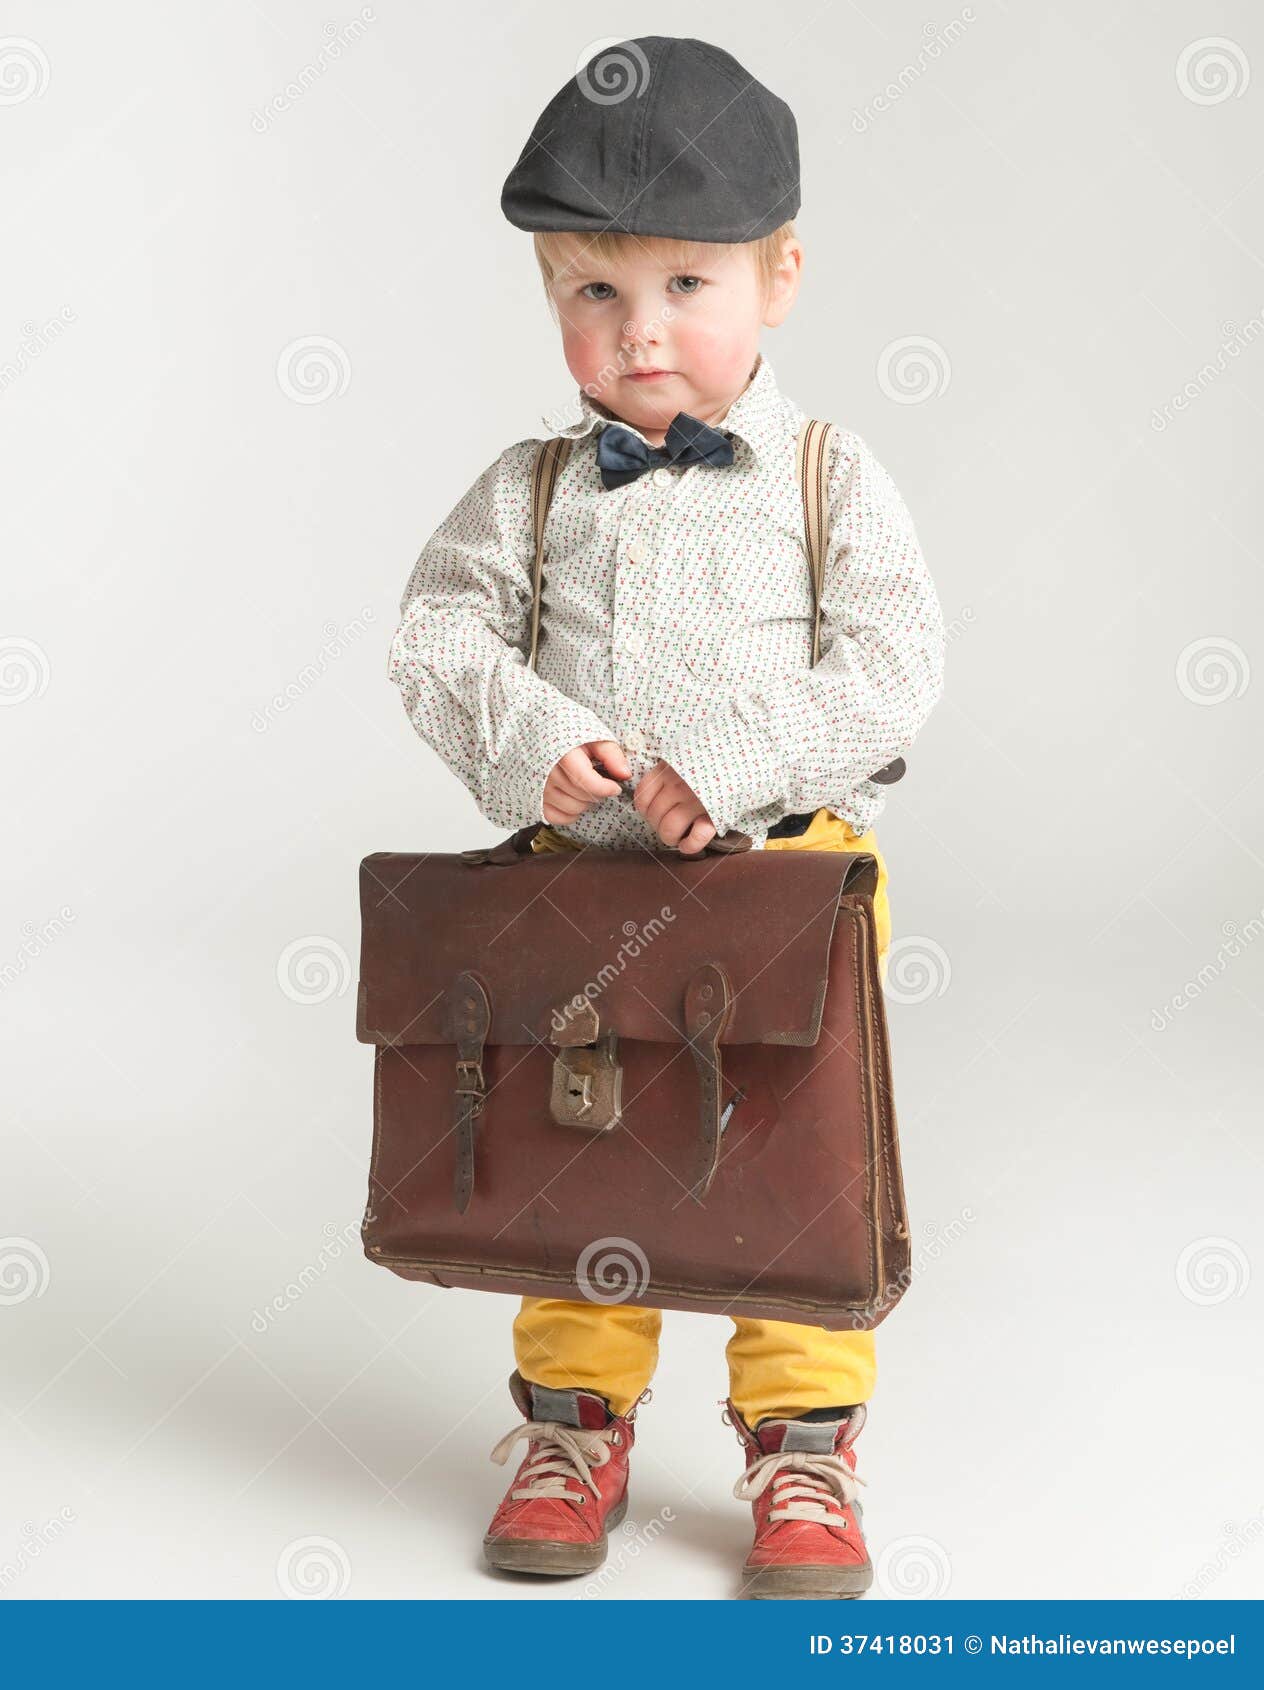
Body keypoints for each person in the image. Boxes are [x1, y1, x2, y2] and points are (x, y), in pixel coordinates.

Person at [384, 35, 945, 1598]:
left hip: (787, 881)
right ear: (553, 296)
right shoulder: (533, 489)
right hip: (585, 891)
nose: (640, 337)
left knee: (792, 1167)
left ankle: (802, 1452)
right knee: (585, 1164)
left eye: (687, 288)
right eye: (593, 294)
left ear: (780, 276)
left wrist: (730, 759)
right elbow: (437, 636)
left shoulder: (830, 478)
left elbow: (896, 664)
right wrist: (542, 745)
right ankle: (575, 1425)